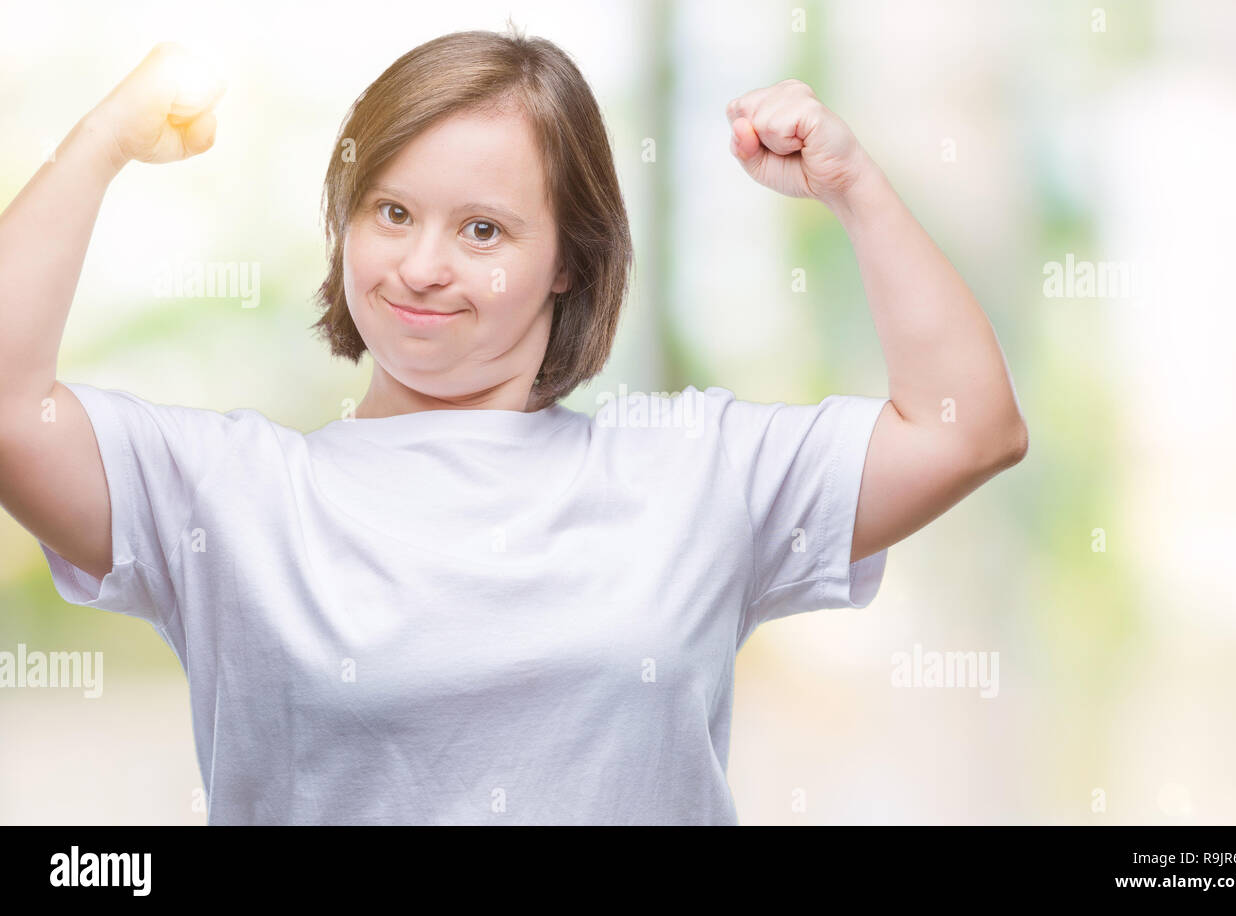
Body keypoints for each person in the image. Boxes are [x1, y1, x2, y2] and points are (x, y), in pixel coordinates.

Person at [0, 27, 1027, 825]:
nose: (422, 266)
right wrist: (102, 143)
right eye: (391, 212)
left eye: (481, 228)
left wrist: (851, 186)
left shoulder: (694, 471)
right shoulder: (225, 492)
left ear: (568, 261)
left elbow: (965, 427)